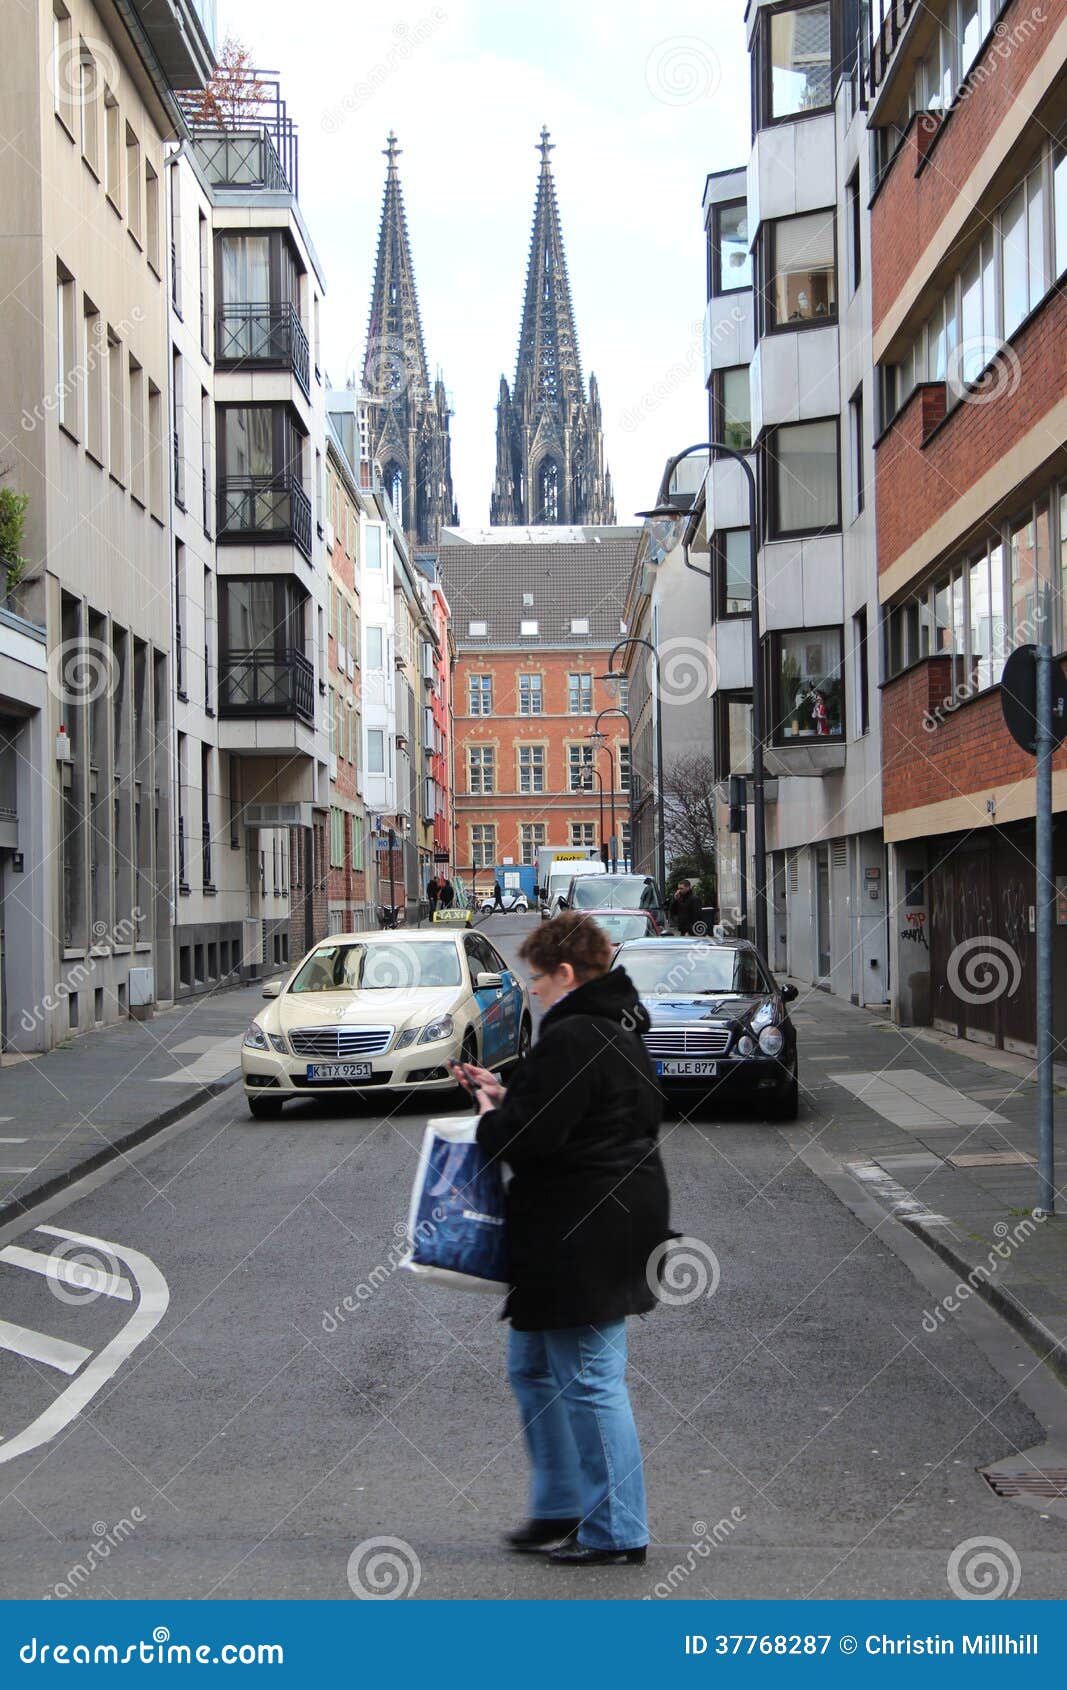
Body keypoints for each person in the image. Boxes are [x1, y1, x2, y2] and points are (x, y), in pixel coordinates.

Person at [463, 912, 673, 1567]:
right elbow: (572, 1110)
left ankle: (614, 1529)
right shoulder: (605, 1027)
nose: (530, 990)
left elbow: (529, 1137)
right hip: (596, 1220)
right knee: (532, 1367)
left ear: (565, 973)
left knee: (587, 1379)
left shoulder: (576, 1032)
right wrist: (509, 1091)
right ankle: (559, 1505)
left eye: (536, 979)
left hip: (583, 1228)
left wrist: (493, 1117)